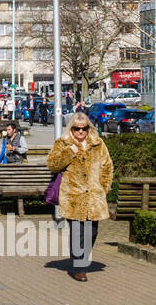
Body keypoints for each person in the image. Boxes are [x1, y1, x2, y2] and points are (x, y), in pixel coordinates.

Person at [47, 111, 112, 281]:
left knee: (92, 232)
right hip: (73, 197)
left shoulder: (98, 144)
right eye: (77, 128)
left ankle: (82, 257)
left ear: (89, 128)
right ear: (72, 129)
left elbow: (107, 166)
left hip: (93, 197)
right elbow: (52, 164)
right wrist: (70, 151)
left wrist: (103, 187)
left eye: (84, 128)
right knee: (78, 232)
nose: (80, 132)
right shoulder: (63, 143)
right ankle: (79, 267)